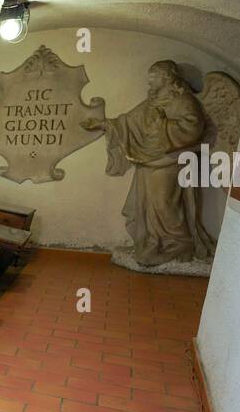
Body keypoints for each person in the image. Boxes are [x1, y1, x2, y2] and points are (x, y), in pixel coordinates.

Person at [83, 60, 209, 265]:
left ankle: (180, 242)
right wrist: (104, 124)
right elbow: (128, 121)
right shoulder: (152, 101)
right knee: (146, 205)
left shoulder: (183, 100)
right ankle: (153, 241)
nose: (149, 80)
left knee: (165, 204)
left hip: (170, 161)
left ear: (167, 77)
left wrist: (163, 125)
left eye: (154, 75)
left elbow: (193, 127)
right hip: (149, 162)